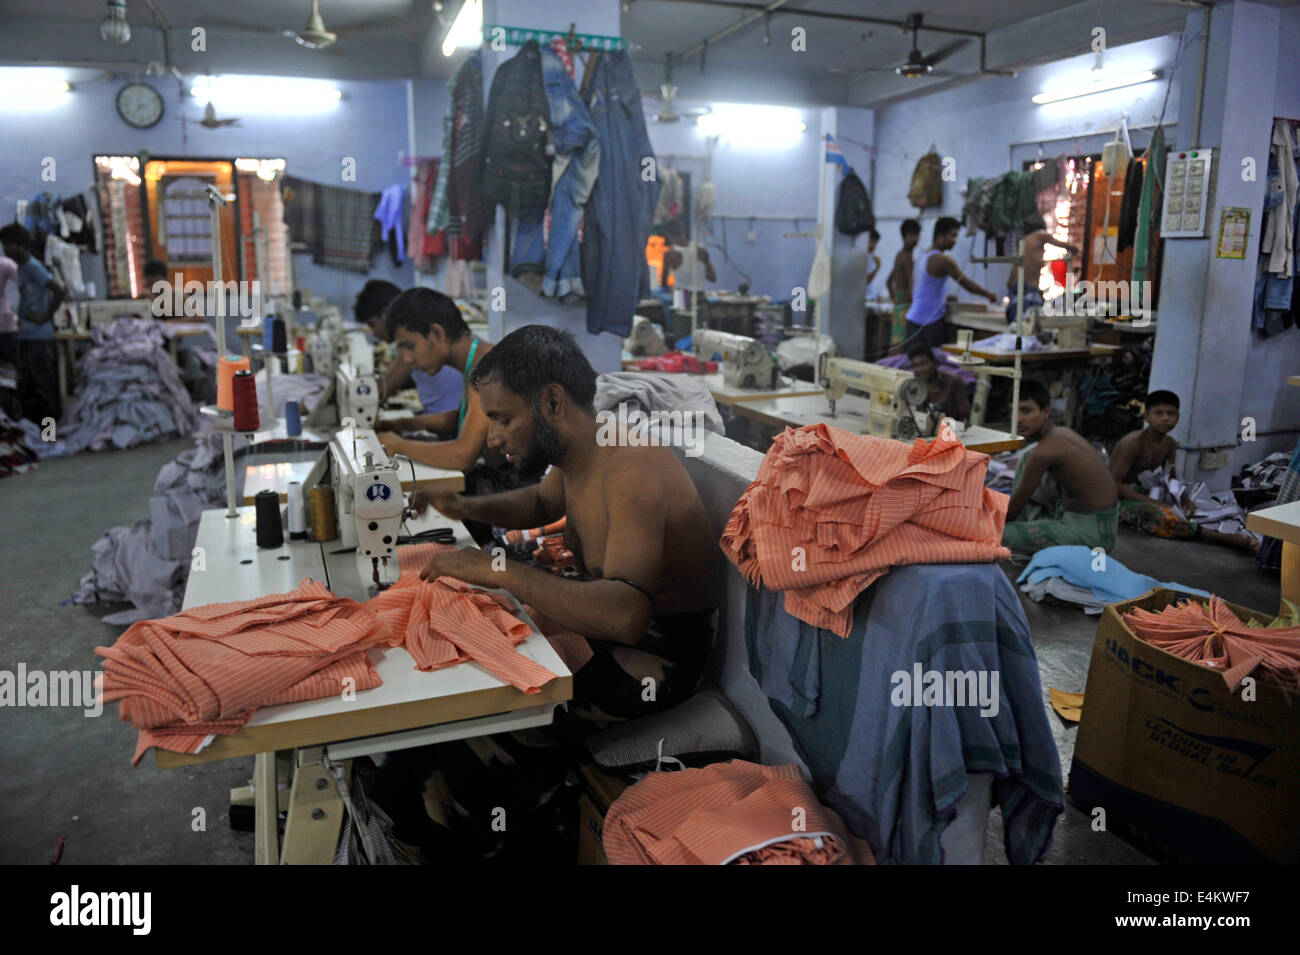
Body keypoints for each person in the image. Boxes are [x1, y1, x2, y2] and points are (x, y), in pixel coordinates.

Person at [414, 323, 719, 721]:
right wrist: (466, 507)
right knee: (469, 648)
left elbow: (625, 616)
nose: (492, 438)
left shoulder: (632, 468)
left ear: (553, 402)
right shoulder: (582, 453)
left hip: (655, 660)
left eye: (503, 419)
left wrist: (497, 570)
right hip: (609, 627)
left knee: (493, 709)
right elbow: (542, 503)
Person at [1110, 390, 1257, 551]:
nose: (1165, 418)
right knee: (1160, 516)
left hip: (1144, 492)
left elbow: (1171, 478)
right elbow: (1115, 485)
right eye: (1158, 413)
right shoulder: (1133, 443)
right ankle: (1223, 538)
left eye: (1171, 413)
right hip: (1116, 499)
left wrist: (1185, 499)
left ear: (1178, 417)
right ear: (1147, 417)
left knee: (1207, 504)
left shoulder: (1169, 444)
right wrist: (1157, 504)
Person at [376, 287, 489, 472]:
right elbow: (458, 420)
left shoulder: (486, 366)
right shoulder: (474, 358)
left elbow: (462, 455)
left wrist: (397, 445)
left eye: (409, 346)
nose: (407, 359)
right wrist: (403, 424)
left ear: (437, 333)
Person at [1001, 379, 1118, 555]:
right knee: (1026, 457)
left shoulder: (1043, 452)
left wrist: (977, 520)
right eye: (1013, 411)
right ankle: (1033, 525)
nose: (1018, 419)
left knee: (995, 533)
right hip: (1103, 526)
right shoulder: (1062, 433)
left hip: (1092, 537)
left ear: (1046, 412)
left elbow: (1011, 511)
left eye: (1026, 410)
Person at [354, 280, 462, 437]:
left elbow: (382, 390)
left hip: (442, 429)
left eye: (372, 324)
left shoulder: (414, 343)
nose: (408, 359)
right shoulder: (424, 341)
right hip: (440, 423)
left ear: (385, 313)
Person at [905, 216, 999, 353]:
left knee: (915, 366)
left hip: (913, 320)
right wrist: (989, 295)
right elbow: (966, 284)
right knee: (930, 365)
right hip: (928, 323)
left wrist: (942, 299)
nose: (955, 241)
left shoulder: (922, 256)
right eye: (952, 236)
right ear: (940, 236)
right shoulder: (943, 260)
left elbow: (917, 288)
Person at [0, 223, 63, 423]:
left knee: (44, 387)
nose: (4, 249)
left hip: (39, 336)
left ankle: (49, 433)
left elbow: (59, 291)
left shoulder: (34, 267)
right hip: (27, 334)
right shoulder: (21, 269)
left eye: (7, 244)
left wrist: (45, 316)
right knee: (30, 387)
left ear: (19, 245)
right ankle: (38, 432)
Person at [1007, 214, 1078, 325]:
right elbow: (1063, 245)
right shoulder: (1040, 235)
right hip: (1027, 289)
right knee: (1029, 321)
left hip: (1015, 287)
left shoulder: (1025, 242)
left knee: (1022, 319)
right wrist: (1075, 250)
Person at [907, 344, 970, 420]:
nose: (920, 369)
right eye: (916, 365)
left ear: (934, 362)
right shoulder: (912, 386)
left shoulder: (954, 382)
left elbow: (964, 415)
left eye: (924, 363)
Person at [886, 218, 921, 351]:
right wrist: (914, 300)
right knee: (900, 347)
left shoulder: (899, 255)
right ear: (904, 237)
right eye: (911, 235)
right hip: (906, 306)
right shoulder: (906, 257)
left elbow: (888, 282)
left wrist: (894, 298)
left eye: (917, 235)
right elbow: (912, 281)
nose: (915, 238)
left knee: (897, 344)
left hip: (899, 305)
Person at [864, 228, 882, 298]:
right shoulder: (862, 257)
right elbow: (866, 281)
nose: (872, 245)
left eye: (875, 243)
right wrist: (877, 267)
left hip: (870, 296)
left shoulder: (872, 257)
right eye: (871, 241)